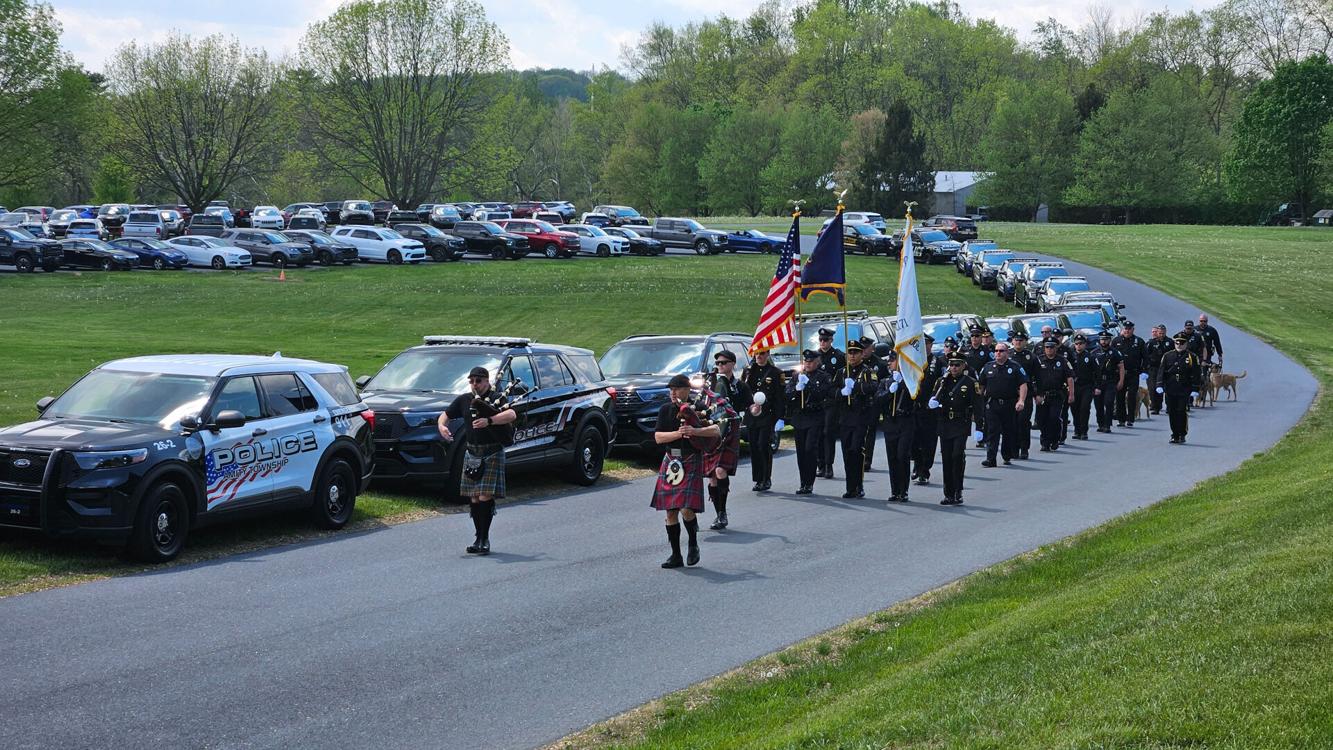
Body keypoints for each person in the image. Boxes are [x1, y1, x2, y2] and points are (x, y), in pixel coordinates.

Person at [436, 366, 518, 556]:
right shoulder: (465, 399)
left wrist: (489, 421)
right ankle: (477, 537)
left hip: (491, 452)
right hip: (472, 453)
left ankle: (485, 539)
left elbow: (511, 415)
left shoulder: (497, 397)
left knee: (484, 496)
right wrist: (441, 426)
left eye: (478, 381)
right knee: (473, 497)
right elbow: (445, 415)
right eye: (472, 381)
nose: (475, 384)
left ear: (487, 381)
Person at [651, 374, 720, 568]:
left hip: (690, 459)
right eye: (670, 389)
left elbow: (716, 430)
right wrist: (678, 433)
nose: (673, 393)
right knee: (670, 511)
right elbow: (657, 437)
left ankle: (693, 544)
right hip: (671, 460)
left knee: (685, 508)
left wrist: (695, 431)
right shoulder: (665, 410)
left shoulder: (698, 408)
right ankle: (676, 555)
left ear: (687, 390)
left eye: (677, 389)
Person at [702, 350, 750, 530]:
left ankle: (722, 513)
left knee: (720, 471)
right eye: (718, 363)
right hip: (713, 430)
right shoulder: (711, 382)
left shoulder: (740, 386)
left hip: (730, 431)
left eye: (723, 363)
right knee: (712, 477)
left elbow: (750, 403)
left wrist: (754, 410)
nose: (720, 366)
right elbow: (703, 403)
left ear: (732, 364)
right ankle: (719, 514)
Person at [928, 357, 982, 505]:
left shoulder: (970, 382)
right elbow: (933, 398)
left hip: (960, 424)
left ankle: (958, 491)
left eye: (957, 365)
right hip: (945, 423)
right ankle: (948, 493)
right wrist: (932, 402)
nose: (953, 368)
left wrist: (979, 427)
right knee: (946, 458)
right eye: (951, 365)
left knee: (957, 455)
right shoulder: (941, 381)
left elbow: (978, 406)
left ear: (964, 365)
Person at [836, 340, 880, 498]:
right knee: (847, 452)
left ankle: (858, 485)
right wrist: (841, 392)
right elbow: (832, 391)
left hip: (861, 417)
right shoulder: (842, 372)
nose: (852, 355)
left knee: (856, 450)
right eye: (850, 352)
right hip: (845, 417)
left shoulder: (868, 371)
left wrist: (854, 387)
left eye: (855, 352)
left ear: (862, 354)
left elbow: (873, 388)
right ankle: (850, 487)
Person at [787, 349, 833, 494]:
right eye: (806, 361)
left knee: (809, 449)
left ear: (817, 362)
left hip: (814, 417)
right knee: (801, 452)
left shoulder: (823, 377)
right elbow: (787, 394)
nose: (808, 364)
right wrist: (796, 388)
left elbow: (824, 393)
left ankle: (810, 481)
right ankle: (803, 482)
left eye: (811, 361)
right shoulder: (797, 376)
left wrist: (810, 386)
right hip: (800, 418)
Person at [740, 348, 785, 492]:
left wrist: (780, 418)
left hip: (767, 415)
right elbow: (744, 391)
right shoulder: (748, 371)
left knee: (762, 445)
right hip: (752, 414)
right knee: (753, 446)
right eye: (757, 354)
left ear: (768, 354)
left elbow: (779, 397)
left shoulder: (776, 373)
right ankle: (758, 479)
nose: (759, 356)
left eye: (762, 353)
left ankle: (766, 478)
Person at [977, 341, 1028, 467]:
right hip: (992, 404)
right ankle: (991, 458)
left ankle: (1006, 455)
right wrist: (977, 403)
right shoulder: (988, 366)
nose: (998, 353)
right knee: (992, 431)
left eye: (1001, 351)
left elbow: (1023, 384)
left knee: (1008, 431)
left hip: (1009, 404)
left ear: (1007, 353)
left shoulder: (1015, 367)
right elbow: (981, 386)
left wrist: (1021, 400)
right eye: (996, 351)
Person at [876, 351, 916, 502]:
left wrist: (902, 384)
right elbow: (878, 400)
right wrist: (889, 391)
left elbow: (916, 395)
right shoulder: (885, 381)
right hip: (890, 423)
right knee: (892, 458)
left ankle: (903, 490)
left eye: (893, 360)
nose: (889, 363)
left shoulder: (910, 380)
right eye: (889, 361)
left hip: (905, 422)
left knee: (902, 455)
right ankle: (895, 491)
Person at [912, 334, 946, 484]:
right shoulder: (911, 361)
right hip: (913, 407)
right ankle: (917, 464)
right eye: (921, 344)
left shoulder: (937, 362)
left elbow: (943, 383)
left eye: (926, 344)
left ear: (931, 346)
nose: (923, 347)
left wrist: (937, 399)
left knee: (928, 441)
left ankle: (924, 470)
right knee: (913, 440)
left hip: (930, 409)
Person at [1157, 334, 1203, 444]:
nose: (1179, 345)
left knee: (1181, 410)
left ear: (1186, 344)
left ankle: (1182, 433)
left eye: (1182, 343)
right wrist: (1159, 385)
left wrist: (1195, 388)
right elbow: (1161, 371)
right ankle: (1175, 434)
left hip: (1184, 388)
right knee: (1172, 412)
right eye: (1177, 343)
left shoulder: (1192, 356)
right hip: (1170, 387)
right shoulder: (1168, 355)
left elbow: (1196, 373)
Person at [1033, 340, 1074, 452]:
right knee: (1041, 420)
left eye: (1052, 347)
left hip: (1057, 395)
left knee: (1054, 418)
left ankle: (1055, 439)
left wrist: (1071, 394)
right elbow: (1032, 378)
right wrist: (1035, 394)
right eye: (1047, 347)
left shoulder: (1062, 361)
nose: (1049, 350)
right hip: (1042, 395)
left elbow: (1070, 378)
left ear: (1055, 348)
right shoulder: (1038, 360)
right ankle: (1045, 442)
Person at [815, 327, 845, 479]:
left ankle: (828, 464)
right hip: (817, 401)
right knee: (819, 432)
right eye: (820, 340)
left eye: (825, 340)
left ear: (831, 340)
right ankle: (820, 463)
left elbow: (842, 378)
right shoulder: (815, 356)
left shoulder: (838, 356)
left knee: (828, 433)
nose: (822, 342)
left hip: (832, 401)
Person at [859, 336, 888, 473]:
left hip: (873, 403)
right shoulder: (853, 363)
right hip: (857, 404)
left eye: (866, 348)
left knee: (870, 431)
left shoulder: (880, 364)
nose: (863, 351)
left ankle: (867, 459)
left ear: (872, 348)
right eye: (862, 348)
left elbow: (884, 385)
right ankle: (857, 457)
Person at [1008, 331, 1039, 458]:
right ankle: (1014, 449)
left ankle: (1024, 448)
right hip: (1010, 395)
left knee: (1023, 422)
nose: (1018, 342)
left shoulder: (1030, 357)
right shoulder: (1007, 355)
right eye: (1016, 340)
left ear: (1025, 342)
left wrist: (1038, 393)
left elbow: (1038, 376)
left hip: (1026, 395)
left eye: (1021, 340)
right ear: (1012, 341)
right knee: (1012, 423)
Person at [1112, 321, 1148, 427]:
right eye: (1125, 329)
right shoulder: (1116, 341)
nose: (1127, 331)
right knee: (1120, 396)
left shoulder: (1139, 341)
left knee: (1132, 396)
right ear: (1122, 329)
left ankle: (1131, 418)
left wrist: (1143, 371)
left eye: (1129, 329)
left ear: (1133, 330)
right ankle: (1121, 419)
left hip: (1133, 373)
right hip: (1120, 374)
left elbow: (1145, 357)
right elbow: (1111, 356)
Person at [1092, 331, 1125, 433]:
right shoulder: (1094, 353)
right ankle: (1101, 424)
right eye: (1102, 339)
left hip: (1111, 381)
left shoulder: (1115, 352)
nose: (1104, 341)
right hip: (1098, 382)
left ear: (1109, 340)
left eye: (1106, 339)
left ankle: (1107, 425)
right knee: (1098, 404)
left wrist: (1121, 381)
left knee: (1109, 402)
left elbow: (1121, 367)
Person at [1069, 334, 1098, 440]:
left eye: (1081, 344)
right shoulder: (1071, 357)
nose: (1078, 346)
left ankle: (1084, 431)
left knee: (1084, 408)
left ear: (1085, 344)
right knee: (1074, 409)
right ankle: (1077, 430)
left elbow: (1096, 373)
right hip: (1074, 387)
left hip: (1087, 386)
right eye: (1076, 344)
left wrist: (1097, 387)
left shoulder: (1090, 357)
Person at [1145, 324, 1173, 415]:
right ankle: (1155, 406)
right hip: (1153, 368)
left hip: (1166, 369)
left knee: (1166, 388)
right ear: (1157, 333)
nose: (1161, 335)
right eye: (1160, 333)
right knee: (1153, 388)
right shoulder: (1151, 343)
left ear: (1166, 332)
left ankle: (1168, 406)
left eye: (1163, 333)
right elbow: (1145, 355)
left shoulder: (1170, 342)